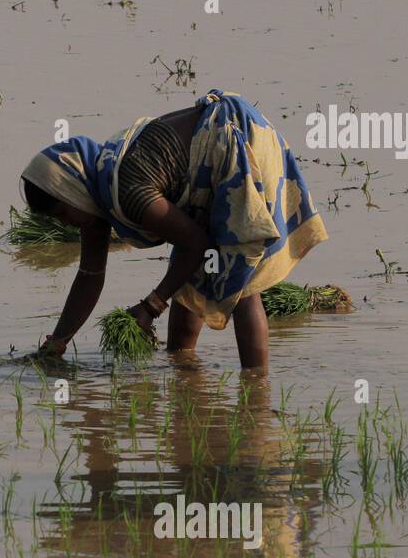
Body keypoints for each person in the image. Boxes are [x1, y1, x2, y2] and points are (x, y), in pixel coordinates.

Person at [23, 89, 328, 369]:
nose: (66, 224)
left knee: (240, 281)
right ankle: (185, 372)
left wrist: (151, 305)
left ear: (71, 189)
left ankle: (257, 391)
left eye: (62, 213)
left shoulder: (129, 192)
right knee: (187, 274)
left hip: (233, 143)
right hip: (209, 160)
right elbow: (89, 277)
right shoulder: (97, 196)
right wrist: (58, 342)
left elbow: (196, 243)